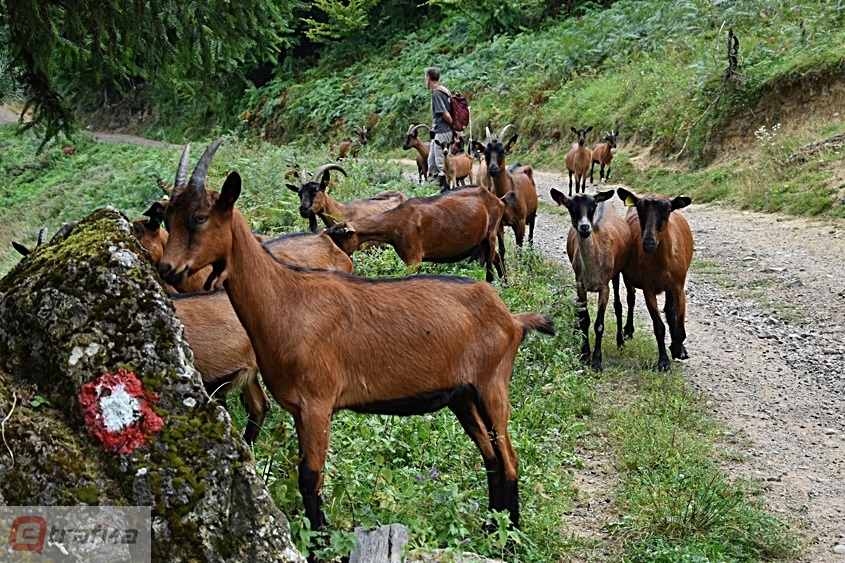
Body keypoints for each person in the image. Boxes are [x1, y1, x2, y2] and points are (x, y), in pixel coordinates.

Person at [425, 67, 453, 192]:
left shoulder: (437, 93)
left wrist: (453, 125)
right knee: (432, 162)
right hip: (438, 132)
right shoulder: (445, 90)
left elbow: (445, 114)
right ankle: (433, 190)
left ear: (428, 78)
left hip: (442, 131)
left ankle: (446, 192)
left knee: (441, 164)